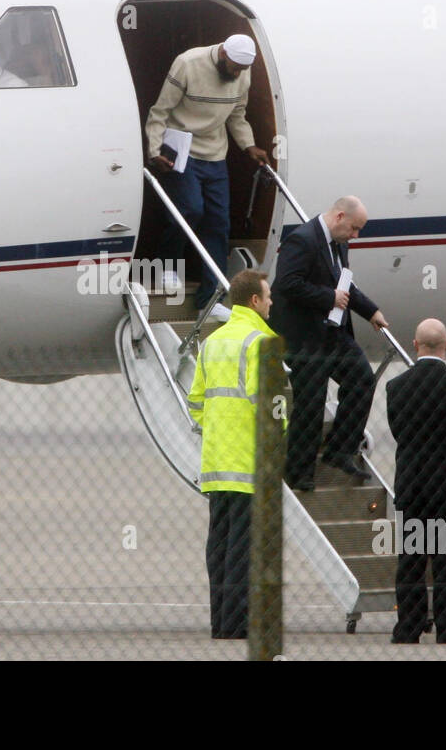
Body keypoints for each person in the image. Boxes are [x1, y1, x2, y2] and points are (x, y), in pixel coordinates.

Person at [186, 269, 282, 639]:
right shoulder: (261, 342)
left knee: (219, 547)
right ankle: (237, 624)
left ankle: (220, 623)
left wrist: (219, 430)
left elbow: (196, 403)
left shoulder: (212, 342)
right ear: (254, 302)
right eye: (268, 296)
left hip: (215, 464)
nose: (272, 301)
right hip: (248, 464)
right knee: (244, 549)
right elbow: (271, 407)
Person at [145, 34, 270, 319]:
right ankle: (167, 267)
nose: (238, 73)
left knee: (218, 223)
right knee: (189, 210)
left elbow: (237, 115)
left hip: (215, 153)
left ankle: (210, 299)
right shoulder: (188, 64)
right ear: (224, 53)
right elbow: (159, 112)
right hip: (182, 149)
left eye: (243, 68)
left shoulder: (243, 73)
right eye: (235, 66)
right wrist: (154, 151)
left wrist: (248, 145)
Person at [270, 196, 388, 491]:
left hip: (332, 332)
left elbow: (344, 283)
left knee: (362, 379)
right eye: (354, 228)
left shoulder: (339, 242)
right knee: (311, 403)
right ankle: (299, 474)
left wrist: (370, 310)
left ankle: (339, 450)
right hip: (303, 335)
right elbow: (286, 283)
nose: (355, 235)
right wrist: (328, 297)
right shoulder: (302, 240)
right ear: (339, 217)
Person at [386, 318, 446, 644]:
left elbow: (399, 432)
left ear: (415, 345)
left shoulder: (396, 387)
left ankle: (408, 626)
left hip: (412, 484)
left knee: (410, 560)